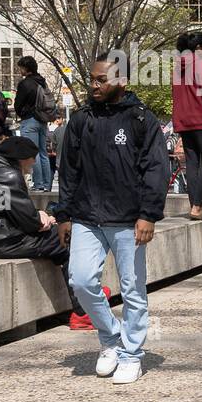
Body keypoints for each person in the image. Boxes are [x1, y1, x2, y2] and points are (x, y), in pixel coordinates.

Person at [55, 49, 171, 385]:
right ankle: (111, 339)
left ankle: (132, 354)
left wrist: (148, 215)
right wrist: (64, 214)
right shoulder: (80, 120)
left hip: (128, 220)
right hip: (87, 218)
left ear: (121, 80)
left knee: (133, 291)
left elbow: (156, 169)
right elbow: (69, 171)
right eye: (91, 79)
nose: (93, 85)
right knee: (80, 280)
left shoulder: (140, 120)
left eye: (101, 80)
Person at [0, 135, 90, 326]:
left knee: (59, 245)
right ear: (21, 157)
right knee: (67, 239)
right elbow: (25, 219)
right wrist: (42, 220)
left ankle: (85, 295)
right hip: (9, 242)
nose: (35, 161)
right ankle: (82, 311)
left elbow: (5, 207)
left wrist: (37, 216)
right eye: (32, 157)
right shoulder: (8, 175)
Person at [171, 30, 202, 222]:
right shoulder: (200, 65)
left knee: (192, 163)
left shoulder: (177, 67)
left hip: (184, 121)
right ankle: (197, 206)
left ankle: (195, 205)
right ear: (199, 47)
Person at [13, 57, 54, 191]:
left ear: (26, 68)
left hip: (29, 120)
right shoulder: (42, 82)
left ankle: (38, 184)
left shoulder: (25, 84)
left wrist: (22, 112)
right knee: (43, 152)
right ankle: (46, 184)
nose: (20, 70)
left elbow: (18, 104)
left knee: (32, 152)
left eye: (21, 67)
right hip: (42, 120)